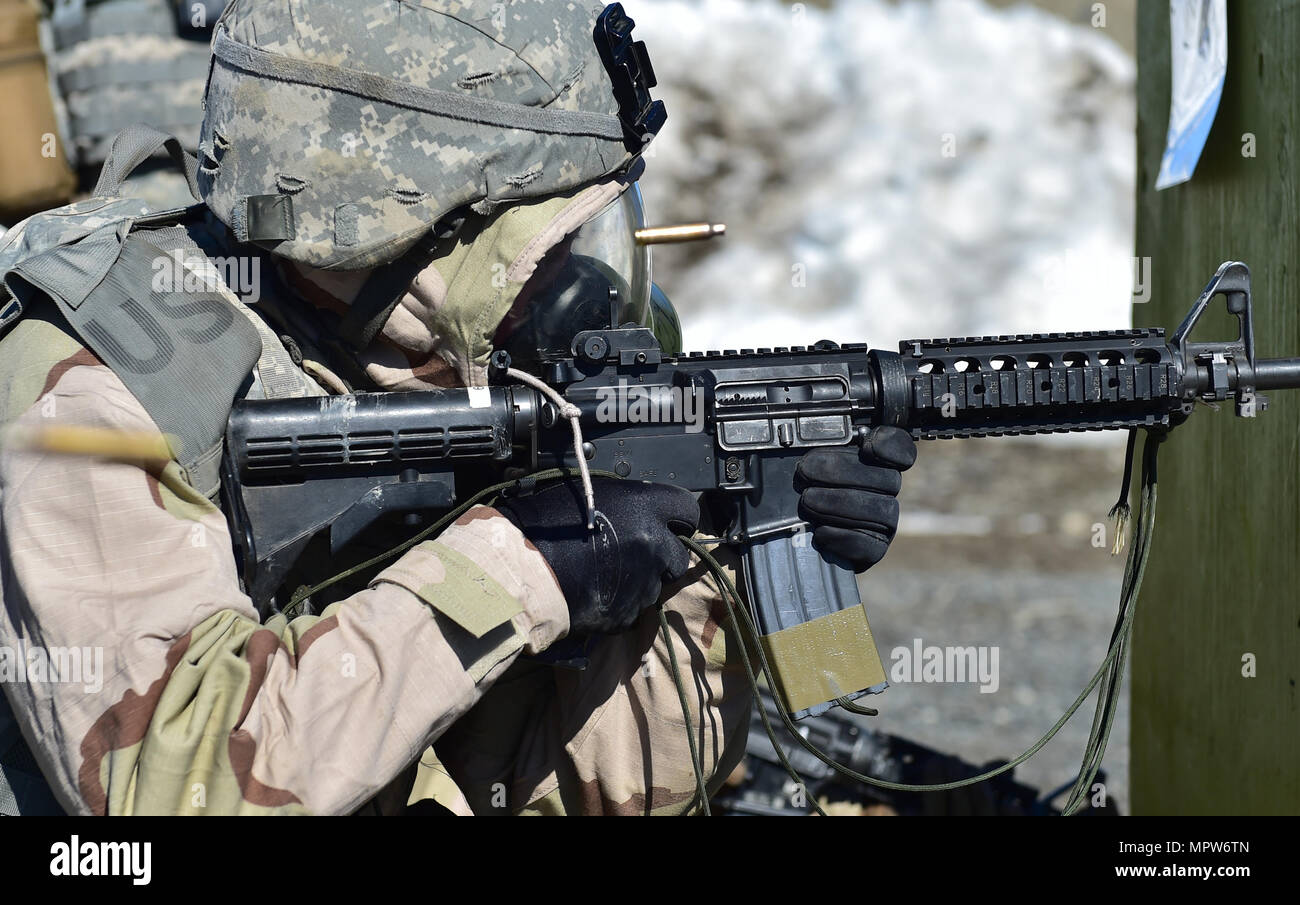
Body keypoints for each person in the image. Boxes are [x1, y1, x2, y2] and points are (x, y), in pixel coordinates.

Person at [0, 0, 913, 815]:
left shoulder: (503, 345)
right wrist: (518, 565)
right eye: (536, 237)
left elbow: (607, 789)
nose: (577, 288)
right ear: (383, 219)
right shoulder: (99, 376)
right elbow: (171, 794)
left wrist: (726, 555)